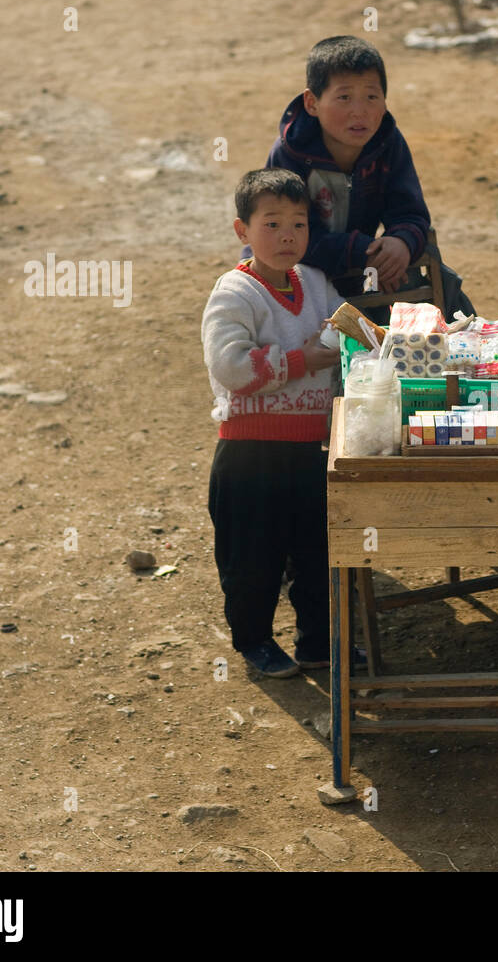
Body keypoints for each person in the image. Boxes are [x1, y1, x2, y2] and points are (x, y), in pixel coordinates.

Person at [203, 168, 345, 678]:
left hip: (311, 447)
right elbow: (232, 367)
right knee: (252, 556)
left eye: (299, 224)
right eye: (272, 224)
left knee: (315, 549)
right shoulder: (235, 292)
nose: (288, 236)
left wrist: (353, 339)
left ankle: (316, 641)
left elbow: (338, 334)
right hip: (249, 452)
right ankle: (254, 641)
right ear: (242, 231)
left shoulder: (316, 282)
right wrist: (302, 360)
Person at [250, 35, 474, 321]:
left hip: (368, 269)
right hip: (301, 267)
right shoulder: (291, 153)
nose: (360, 111)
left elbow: (411, 212)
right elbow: (290, 237)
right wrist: (363, 252)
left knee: (438, 274)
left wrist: (399, 243)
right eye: (344, 97)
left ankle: (465, 347)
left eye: (371, 96)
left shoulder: (387, 142)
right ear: (312, 103)